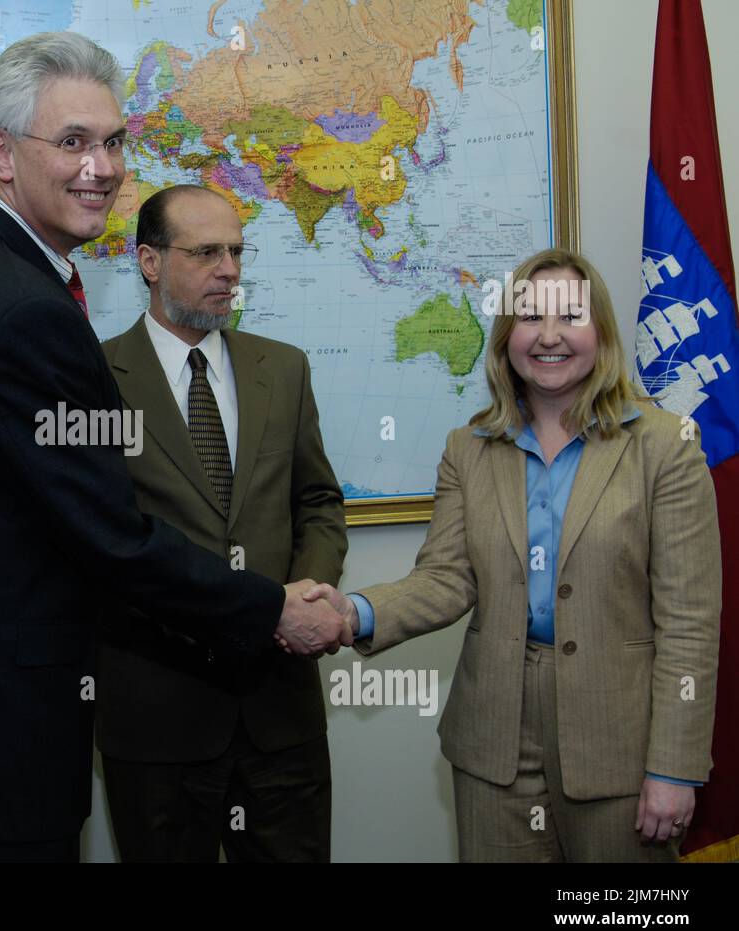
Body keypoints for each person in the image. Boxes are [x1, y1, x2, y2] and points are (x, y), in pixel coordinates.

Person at [0, 32, 350, 863]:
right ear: (0, 153)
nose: (101, 168)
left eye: (111, 143)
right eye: (71, 143)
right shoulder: (19, 307)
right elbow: (109, 536)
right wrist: (270, 606)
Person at [298, 248, 721, 862]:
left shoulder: (664, 446)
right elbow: (445, 579)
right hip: (494, 741)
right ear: (506, 336)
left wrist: (675, 768)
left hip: (621, 740)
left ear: (599, 330)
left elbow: (690, 623)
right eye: (530, 318)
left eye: (570, 316)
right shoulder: (467, 448)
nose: (549, 337)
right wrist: (352, 612)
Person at [96, 185, 347, 862]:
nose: (229, 268)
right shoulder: (95, 379)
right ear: (149, 261)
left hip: (280, 708)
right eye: (207, 251)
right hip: (158, 717)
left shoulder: (283, 368)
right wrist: (255, 608)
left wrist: (309, 593)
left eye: (236, 250)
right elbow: (101, 543)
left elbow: (318, 501)